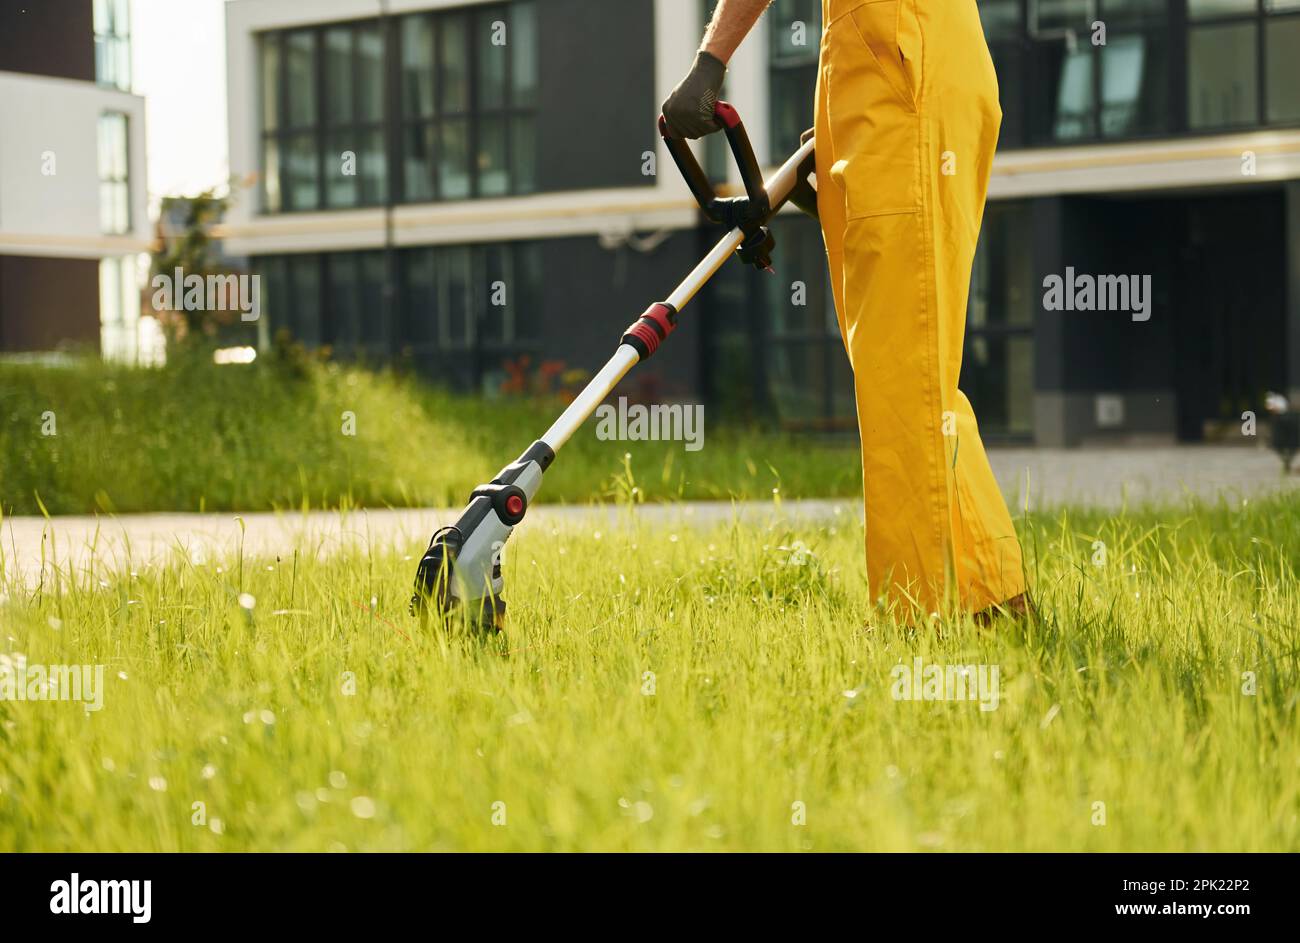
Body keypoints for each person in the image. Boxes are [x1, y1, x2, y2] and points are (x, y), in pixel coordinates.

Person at [662, 0, 1031, 622]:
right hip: (891, 75)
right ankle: (990, 600)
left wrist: (710, 61)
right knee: (910, 372)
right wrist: (842, 134)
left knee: (903, 377)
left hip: (904, 74)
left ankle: (922, 617)